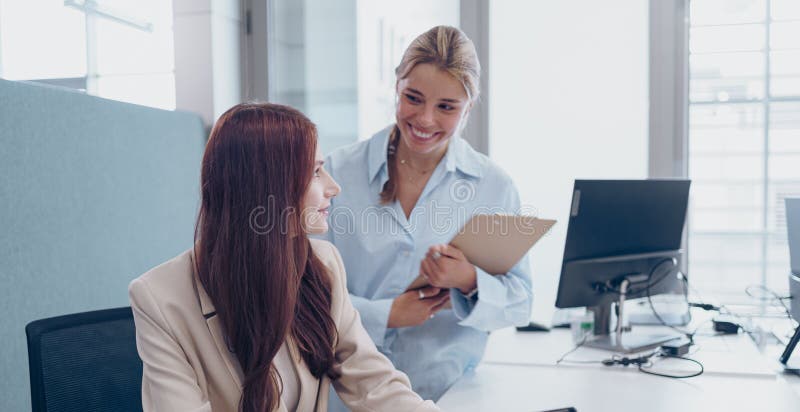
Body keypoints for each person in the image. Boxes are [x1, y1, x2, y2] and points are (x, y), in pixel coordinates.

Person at [129, 103, 439, 412]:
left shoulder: (323, 264)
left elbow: (374, 384)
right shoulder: (159, 298)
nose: (334, 187)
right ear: (268, 186)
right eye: (316, 172)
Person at [322, 25, 533, 405]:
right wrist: (386, 314)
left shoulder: (494, 186)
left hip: (446, 395)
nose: (425, 120)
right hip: (349, 394)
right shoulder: (338, 173)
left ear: (469, 106)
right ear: (397, 88)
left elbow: (520, 301)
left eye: (447, 107)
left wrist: (469, 280)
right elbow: (307, 292)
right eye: (413, 98)